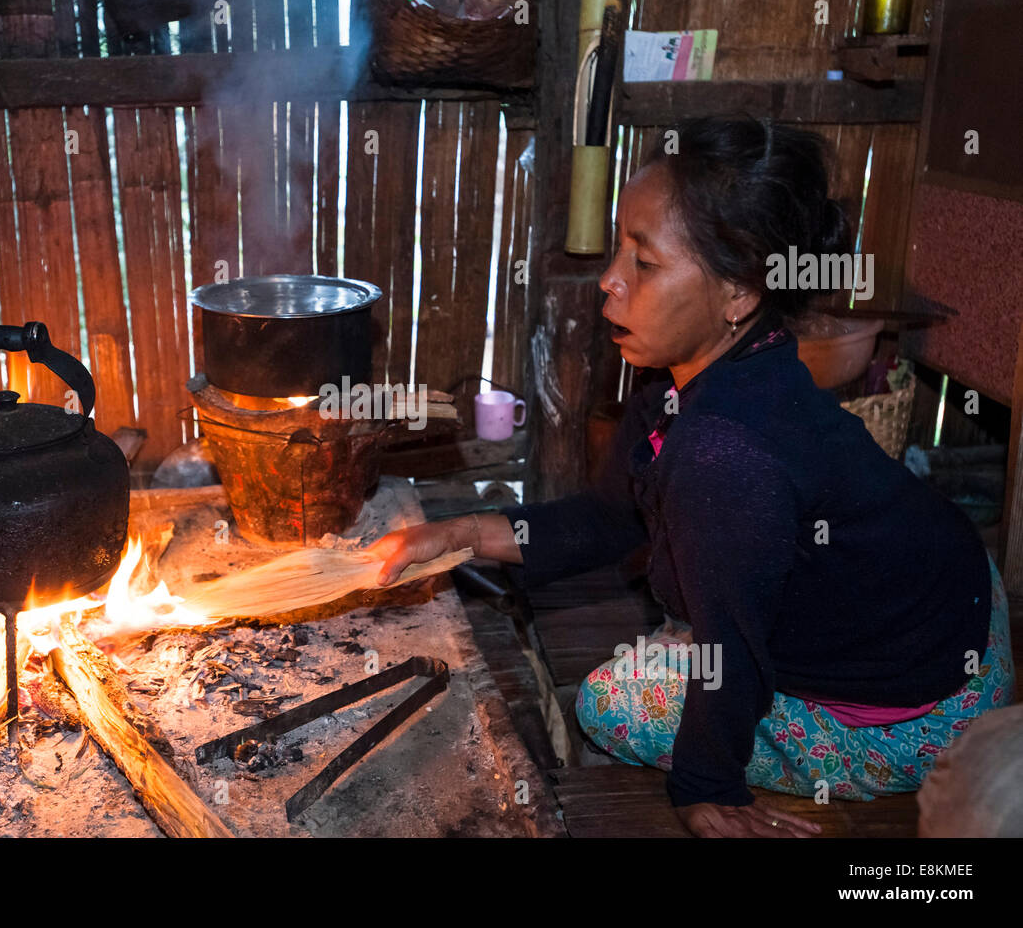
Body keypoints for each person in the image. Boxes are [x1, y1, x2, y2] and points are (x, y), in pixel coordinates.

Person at [368, 116, 1015, 838]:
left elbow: (729, 647)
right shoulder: (708, 379)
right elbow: (610, 518)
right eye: (620, 245)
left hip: (930, 709)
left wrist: (707, 781)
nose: (610, 278)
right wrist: (460, 535)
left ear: (738, 294)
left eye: (644, 262)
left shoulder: (724, 455)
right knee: (706, 583)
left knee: (610, 703)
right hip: (962, 596)